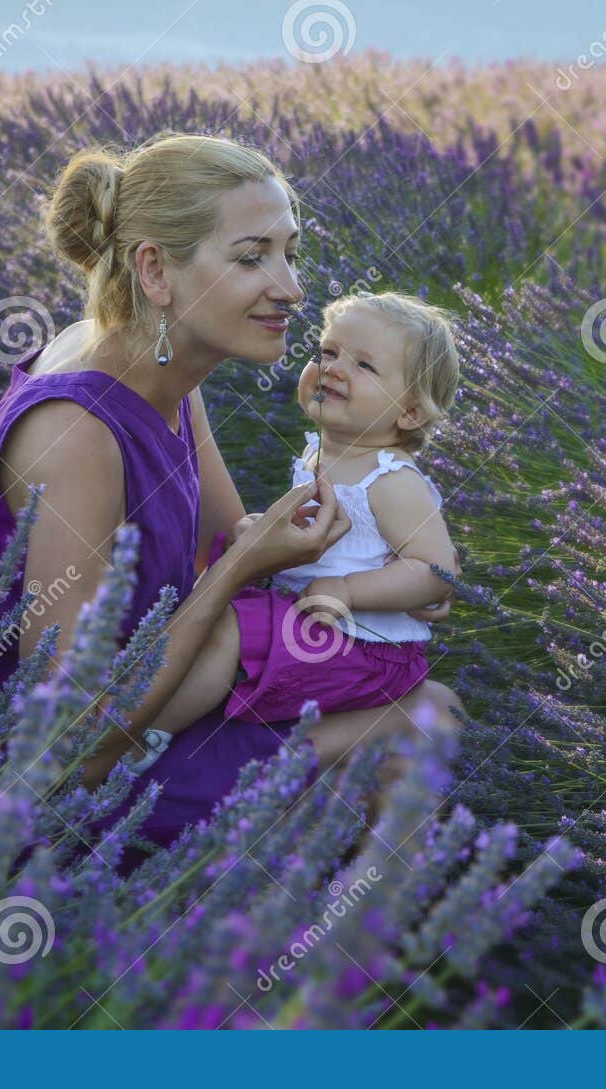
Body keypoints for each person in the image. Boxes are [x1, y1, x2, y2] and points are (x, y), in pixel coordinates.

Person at [0, 131, 459, 848]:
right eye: (253, 257)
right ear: (156, 272)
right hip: (51, 780)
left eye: (290, 252)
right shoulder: (79, 433)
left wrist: (390, 573)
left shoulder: (163, 376)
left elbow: (228, 542)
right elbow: (63, 739)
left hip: (154, 697)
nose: (289, 288)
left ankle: (345, 943)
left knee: (425, 708)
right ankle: (330, 954)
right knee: (419, 727)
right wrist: (244, 565)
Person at [129, 291, 460, 773]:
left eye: (364, 366)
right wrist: (263, 528)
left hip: (364, 648)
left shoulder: (392, 480)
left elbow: (436, 570)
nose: (333, 368)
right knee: (208, 608)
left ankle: (139, 738)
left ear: (409, 413)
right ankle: (161, 721)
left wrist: (349, 589)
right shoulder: (319, 454)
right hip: (317, 624)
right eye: (328, 352)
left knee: (227, 631)